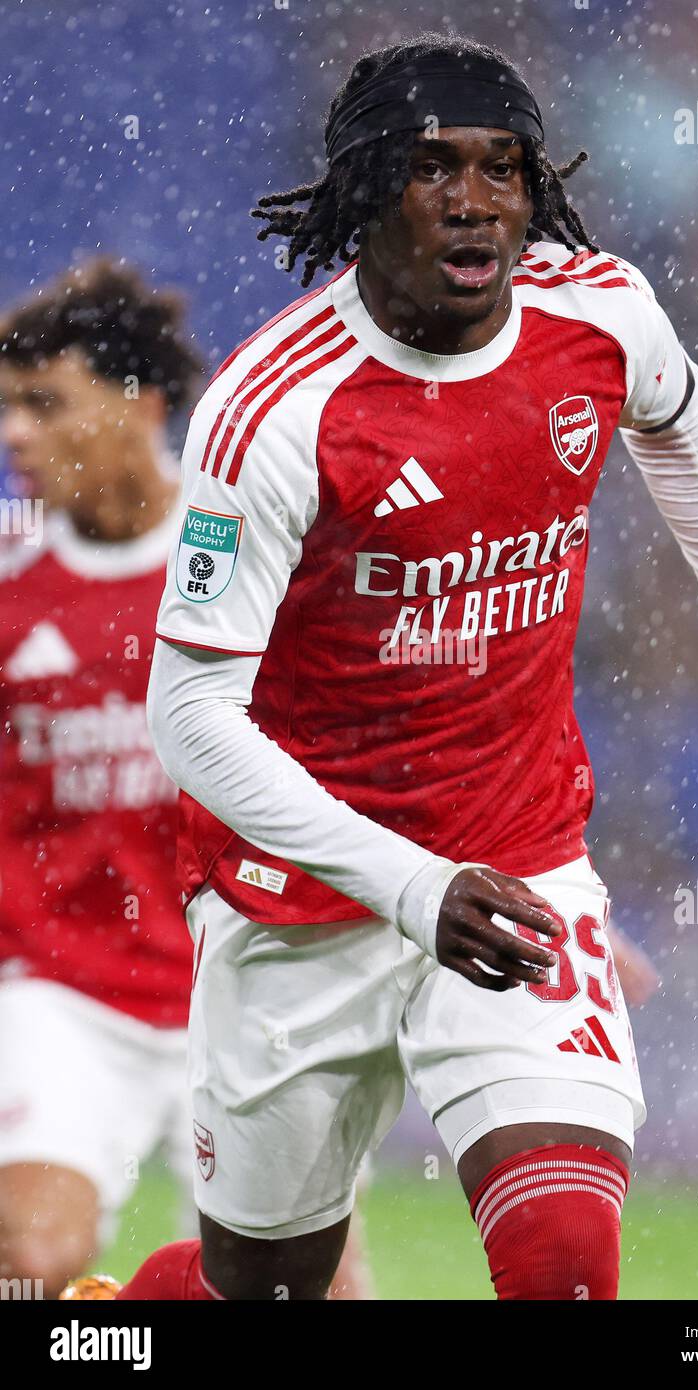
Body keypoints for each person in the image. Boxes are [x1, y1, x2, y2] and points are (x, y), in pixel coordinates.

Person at [109, 33, 698, 1302]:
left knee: (563, 1263)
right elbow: (190, 717)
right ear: (367, 190)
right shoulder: (276, 412)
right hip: (298, 895)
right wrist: (412, 885)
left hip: (521, 864)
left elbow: (688, 431)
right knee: (261, 1283)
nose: (477, 199)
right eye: (433, 169)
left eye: (503, 168)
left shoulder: (597, 310)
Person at [0, 260, 201, 1296]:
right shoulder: (7, 578)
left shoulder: (242, 554)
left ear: (142, 404)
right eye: (6, 408)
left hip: (242, 981)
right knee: (31, 1262)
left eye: (43, 402)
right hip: (65, 986)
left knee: (315, 1284)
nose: (15, 435)